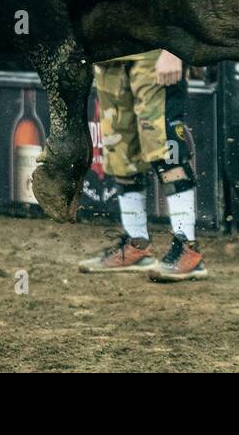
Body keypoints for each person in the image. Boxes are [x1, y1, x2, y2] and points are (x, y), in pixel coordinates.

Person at [78, 50, 207, 282]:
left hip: (154, 52)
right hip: (110, 55)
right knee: (121, 154)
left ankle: (188, 248)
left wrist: (174, 49)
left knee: (167, 150)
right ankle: (137, 245)